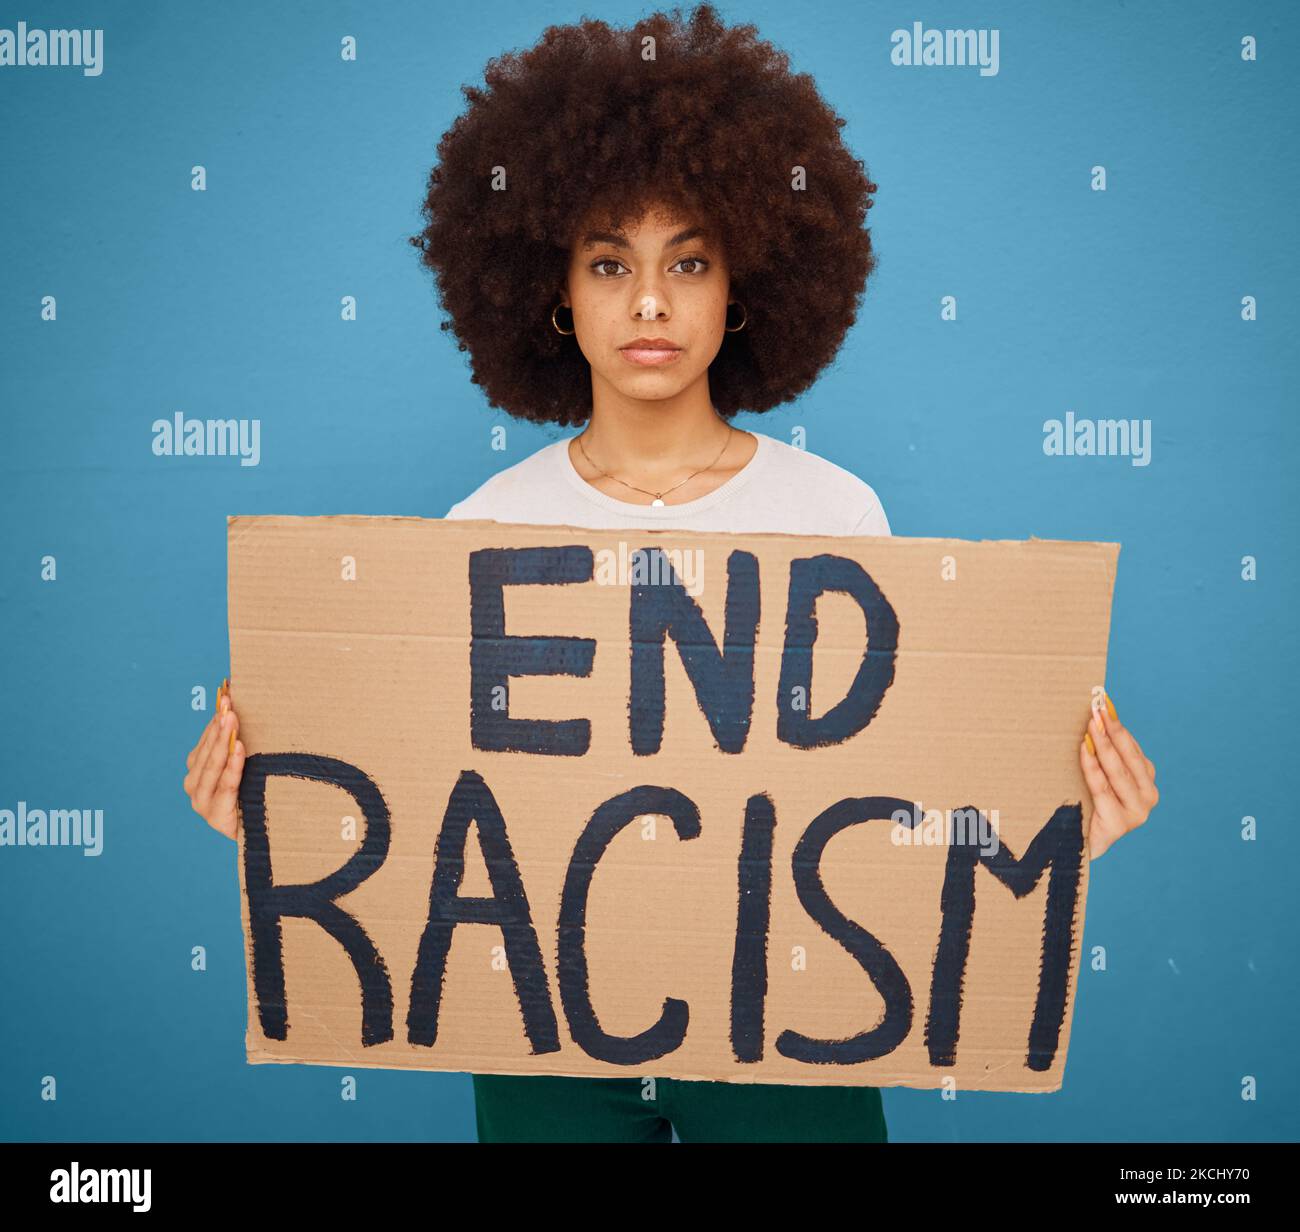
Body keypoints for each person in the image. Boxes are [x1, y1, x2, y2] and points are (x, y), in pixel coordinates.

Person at [184, 2, 1158, 1143]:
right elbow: (436, 812)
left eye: (687, 260)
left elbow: (885, 799)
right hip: (542, 1029)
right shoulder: (483, 527)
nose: (649, 301)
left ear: (744, 283)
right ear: (550, 290)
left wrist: (1044, 831)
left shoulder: (837, 515)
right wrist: (277, 823)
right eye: (610, 262)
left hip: (795, 1025)